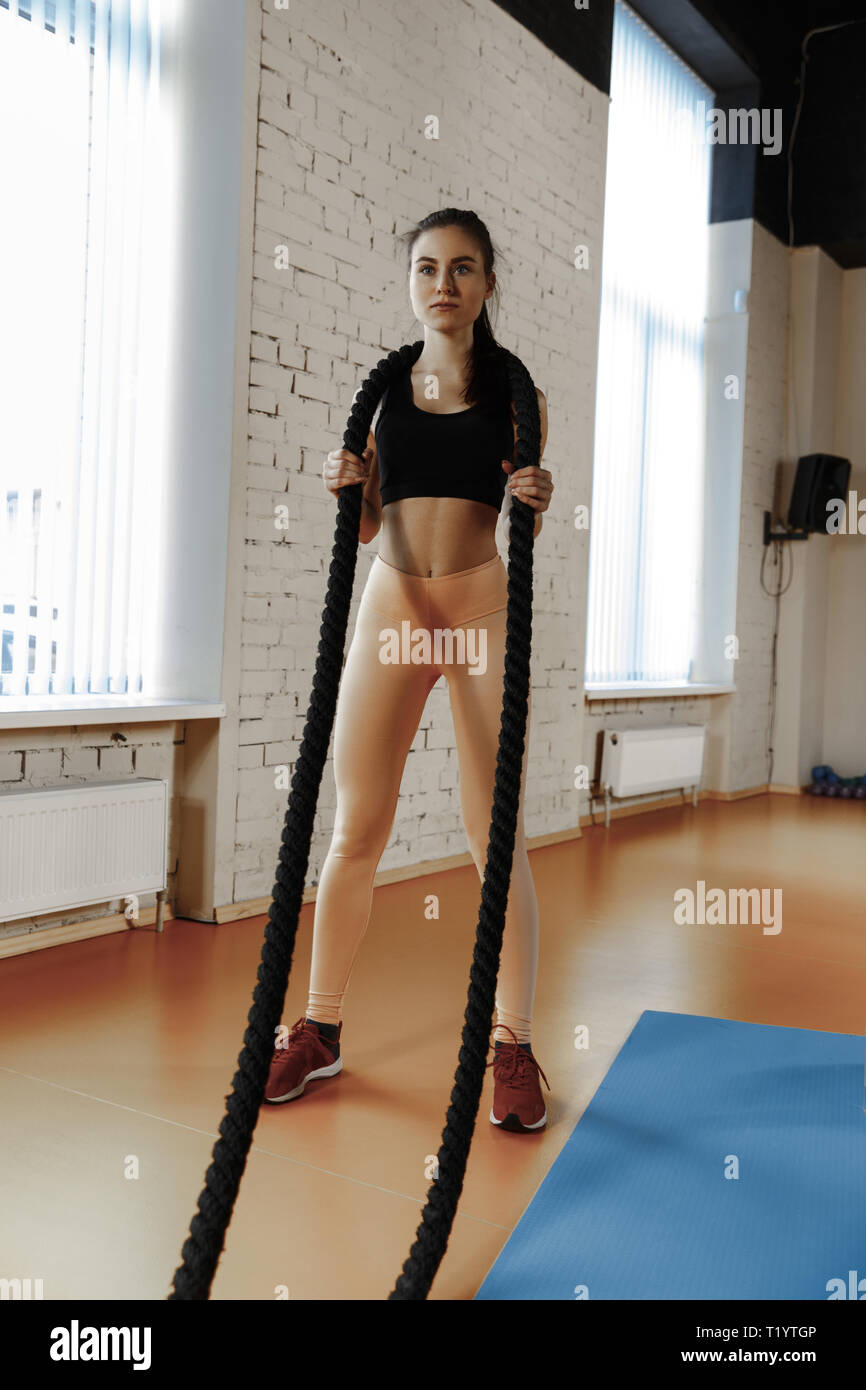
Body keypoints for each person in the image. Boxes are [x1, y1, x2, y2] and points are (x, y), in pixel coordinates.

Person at [265, 208, 554, 1131]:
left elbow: (523, 520)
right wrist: (346, 485)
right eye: (428, 267)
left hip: (475, 606)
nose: (444, 283)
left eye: (464, 268)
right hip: (393, 602)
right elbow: (366, 527)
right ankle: (319, 1028)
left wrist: (539, 498)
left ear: (488, 284)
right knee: (357, 827)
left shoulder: (517, 394)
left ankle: (512, 1045)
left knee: (492, 833)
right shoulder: (385, 393)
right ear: (412, 282)